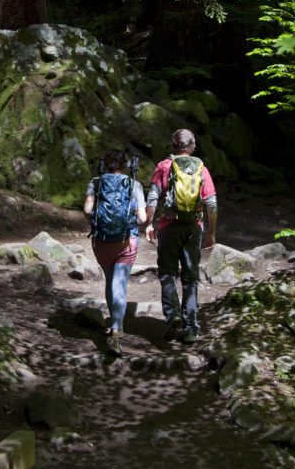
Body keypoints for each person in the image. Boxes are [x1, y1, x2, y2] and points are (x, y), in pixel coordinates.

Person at [144, 129, 217, 344]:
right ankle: (191, 328)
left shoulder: (164, 166)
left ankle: (173, 315)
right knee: (190, 278)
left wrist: (149, 224)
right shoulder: (201, 168)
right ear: (192, 147)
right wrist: (211, 232)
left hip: (168, 226)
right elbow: (211, 202)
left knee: (167, 274)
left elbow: (153, 197)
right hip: (193, 228)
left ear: (174, 146)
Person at [83, 149, 147, 356]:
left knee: (110, 281)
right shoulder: (133, 184)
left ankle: (114, 324)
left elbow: (87, 210)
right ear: (124, 165)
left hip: (101, 242)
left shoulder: (96, 182)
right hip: (126, 242)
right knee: (120, 283)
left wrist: (96, 225)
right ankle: (116, 328)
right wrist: (128, 224)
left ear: (105, 164)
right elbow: (143, 218)